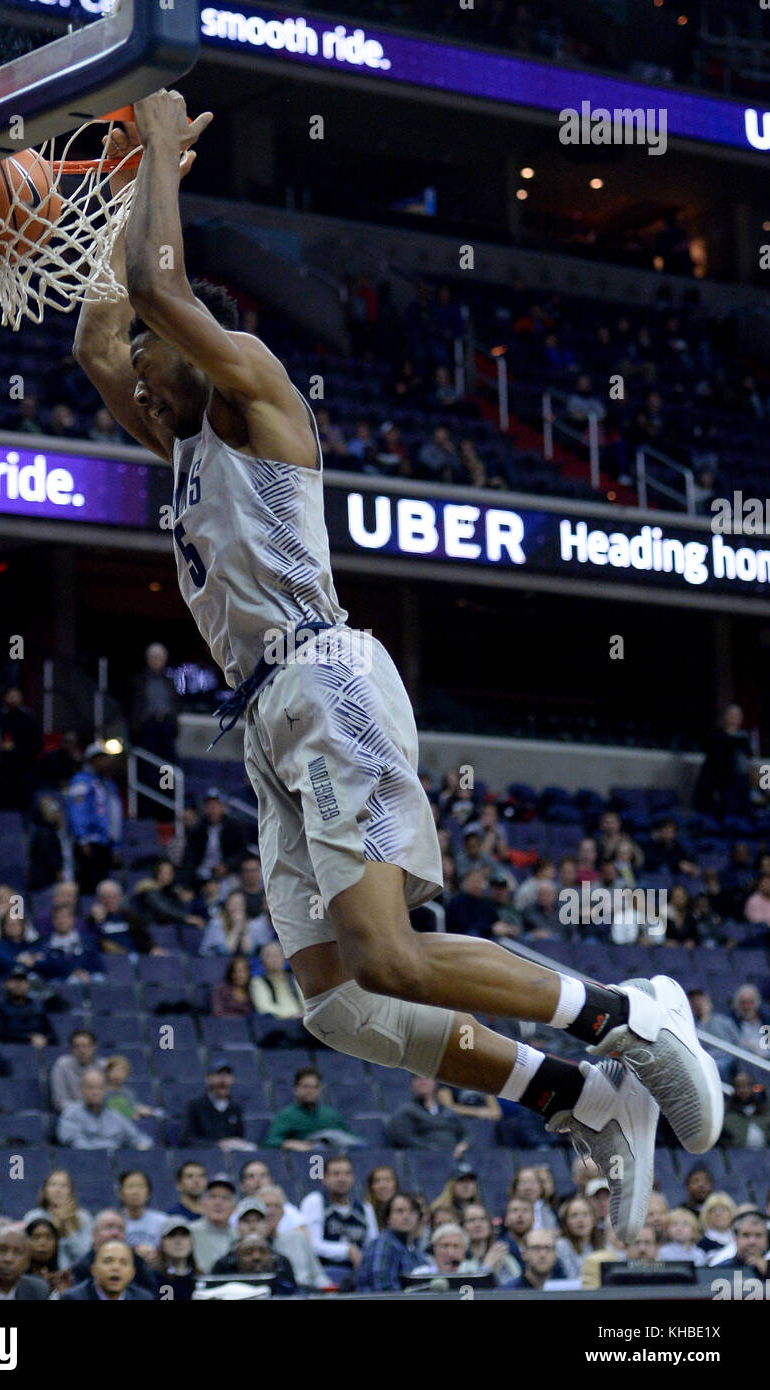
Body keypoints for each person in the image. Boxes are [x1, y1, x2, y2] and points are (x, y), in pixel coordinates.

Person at [72, 92, 721, 1248]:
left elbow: (160, 292)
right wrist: (115, 182)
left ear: (189, 348)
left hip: (326, 680)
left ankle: (629, 1014)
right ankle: (579, 1094)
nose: (133, 358)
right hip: (266, 717)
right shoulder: (173, 440)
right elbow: (93, 335)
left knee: (389, 951)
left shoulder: (252, 391)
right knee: (338, 1001)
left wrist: (164, 157)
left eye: (149, 347)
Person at [299, 1154, 378, 1282]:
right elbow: (312, 1244)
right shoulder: (315, 1201)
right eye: (336, 1174)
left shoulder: (365, 1208)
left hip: (359, 1272)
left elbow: (373, 1245)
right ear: (324, 1178)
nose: (342, 1179)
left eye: (347, 1174)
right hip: (322, 1273)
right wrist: (347, 1250)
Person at [66, 744, 123, 894]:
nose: (103, 763)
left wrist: (116, 843)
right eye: (99, 759)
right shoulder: (81, 780)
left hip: (106, 842)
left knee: (104, 885)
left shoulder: (108, 783)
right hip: (90, 842)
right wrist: (82, 838)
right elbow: (77, 810)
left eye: (105, 759)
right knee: (89, 885)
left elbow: (114, 814)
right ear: (91, 761)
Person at [264, 1068, 361, 1150]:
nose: (310, 1091)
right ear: (295, 1089)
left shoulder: (331, 1115)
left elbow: (352, 1139)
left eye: (315, 1087)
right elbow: (271, 1141)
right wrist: (290, 1143)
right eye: (306, 1086)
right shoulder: (285, 1116)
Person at [67, 1209, 159, 1294]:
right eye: (109, 1227)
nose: (115, 1233)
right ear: (94, 1234)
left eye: (121, 1229)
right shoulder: (80, 1268)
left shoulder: (137, 1263)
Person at [57, 1068, 152, 1151]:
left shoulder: (116, 1116)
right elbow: (77, 1144)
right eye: (90, 1088)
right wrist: (111, 1147)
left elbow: (141, 1139)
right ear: (81, 1090)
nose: (95, 1092)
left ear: (106, 1090)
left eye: (99, 1088)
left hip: (115, 1167)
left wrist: (142, 1146)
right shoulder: (70, 1114)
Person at [260, 1184, 331, 1290]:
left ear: (283, 1213)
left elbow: (318, 1275)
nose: (271, 1212)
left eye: (276, 1206)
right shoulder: (248, 1244)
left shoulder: (296, 1238)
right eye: (266, 1206)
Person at [23, 1169, 93, 1269]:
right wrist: (55, 1228)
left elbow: (85, 1254)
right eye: (53, 1185)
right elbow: (28, 1250)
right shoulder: (34, 1216)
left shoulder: (83, 1217)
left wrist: (67, 1229)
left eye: (63, 1186)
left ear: (71, 1191)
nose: (58, 1190)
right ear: (45, 1190)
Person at [356, 1192, 424, 1291]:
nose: (406, 1216)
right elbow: (383, 1290)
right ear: (388, 1218)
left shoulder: (416, 1251)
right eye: (400, 1211)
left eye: (412, 1211)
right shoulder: (383, 1244)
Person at [384, 1075, 467, 1152]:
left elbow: (464, 1133)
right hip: (424, 1157)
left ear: (435, 1082)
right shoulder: (406, 1111)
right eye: (418, 1079)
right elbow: (403, 1138)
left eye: (427, 1078)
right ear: (412, 1085)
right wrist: (431, 1149)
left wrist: (463, 1145)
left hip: (453, 1156)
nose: (423, 1082)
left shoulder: (447, 1111)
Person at [182, 789, 250, 883]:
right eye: (209, 807)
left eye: (215, 806)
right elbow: (189, 857)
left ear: (222, 807)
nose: (212, 811)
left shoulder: (235, 827)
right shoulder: (197, 829)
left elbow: (242, 851)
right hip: (201, 874)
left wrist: (227, 866)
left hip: (228, 873)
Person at [129, 642, 180, 767]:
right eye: (154, 657)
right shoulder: (139, 681)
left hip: (166, 726)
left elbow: (175, 705)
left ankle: (166, 786)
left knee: (167, 763)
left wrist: (174, 723)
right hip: (147, 726)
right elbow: (132, 706)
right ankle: (149, 785)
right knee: (147, 761)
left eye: (160, 657)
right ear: (148, 659)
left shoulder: (169, 682)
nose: (157, 661)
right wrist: (136, 724)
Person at [179, 1056, 248, 1149]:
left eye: (227, 1075)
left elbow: (239, 1137)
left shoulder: (236, 1107)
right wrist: (218, 1145)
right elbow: (187, 1140)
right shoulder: (195, 1105)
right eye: (219, 1075)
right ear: (208, 1079)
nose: (223, 1080)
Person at [59, 1239, 155, 1301]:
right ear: (94, 1270)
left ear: (132, 1273)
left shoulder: (143, 1298)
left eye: (123, 1262)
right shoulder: (72, 1298)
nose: (116, 1268)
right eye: (108, 1261)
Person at [87, 879, 157, 956]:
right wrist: (97, 922)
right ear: (99, 899)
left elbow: (144, 938)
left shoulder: (131, 916)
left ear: (120, 898)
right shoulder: (92, 921)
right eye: (106, 897)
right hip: (107, 961)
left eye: (113, 897)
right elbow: (90, 944)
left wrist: (153, 948)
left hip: (132, 959)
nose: (110, 900)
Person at [0, 967, 55, 1047]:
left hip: (36, 1049)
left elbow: (51, 1034)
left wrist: (44, 1038)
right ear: (6, 984)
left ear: (28, 984)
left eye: (22, 981)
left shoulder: (38, 1005)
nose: (19, 984)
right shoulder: (0, 1006)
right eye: (15, 981)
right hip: (11, 1050)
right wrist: (28, 1039)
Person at [200, 888, 274, 957]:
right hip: (213, 963)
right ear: (227, 906)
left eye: (240, 904)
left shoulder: (251, 925)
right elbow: (226, 951)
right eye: (233, 904)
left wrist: (242, 929)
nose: (236, 908)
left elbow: (248, 951)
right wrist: (236, 927)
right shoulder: (216, 924)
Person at [460, 1203, 521, 1284]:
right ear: (462, 1226)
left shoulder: (504, 1257)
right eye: (471, 1220)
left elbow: (516, 1287)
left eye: (483, 1219)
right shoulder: (458, 1260)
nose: (478, 1224)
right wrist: (487, 1267)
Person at [189, 1176, 237, 1272]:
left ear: (234, 1207)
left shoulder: (238, 1236)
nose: (218, 1203)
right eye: (212, 1197)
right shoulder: (190, 1232)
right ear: (202, 1203)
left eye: (225, 1198)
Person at [118, 1169, 170, 1256]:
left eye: (140, 1187)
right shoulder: (114, 1221)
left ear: (148, 1193)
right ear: (121, 1193)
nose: (135, 1192)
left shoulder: (162, 1221)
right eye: (130, 1187)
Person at [49, 1029, 98, 1113]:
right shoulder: (62, 1065)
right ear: (71, 1049)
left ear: (94, 1047)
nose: (82, 1051)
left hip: (98, 1115)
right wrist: (85, 1111)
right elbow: (59, 1102)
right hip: (72, 1116)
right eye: (77, 1046)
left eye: (85, 1046)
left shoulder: (103, 1066)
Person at [554, 1195, 602, 1280]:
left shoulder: (603, 1244)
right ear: (566, 1222)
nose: (580, 1220)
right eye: (574, 1215)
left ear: (594, 1219)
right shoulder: (561, 1246)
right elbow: (571, 1278)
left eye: (585, 1215)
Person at [708, 1211, 768, 1276]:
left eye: (758, 1235)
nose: (752, 1241)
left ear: (767, 1239)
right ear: (735, 1238)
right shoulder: (719, 1270)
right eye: (746, 1235)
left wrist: (767, 1270)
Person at [720, 1070, 770, 1148]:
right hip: (737, 1155)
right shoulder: (726, 1113)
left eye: (746, 1086)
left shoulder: (764, 1110)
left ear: (752, 1087)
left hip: (765, 1155)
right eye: (739, 1086)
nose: (743, 1090)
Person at [155, 1219, 198, 1300]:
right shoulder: (153, 1278)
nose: (178, 1242)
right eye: (172, 1236)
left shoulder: (200, 1278)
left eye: (184, 1236)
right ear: (162, 1243)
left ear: (192, 1242)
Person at [698, 1192, 737, 1260]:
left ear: (732, 1213)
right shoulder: (702, 1243)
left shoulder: (740, 1239)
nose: (718, 1213)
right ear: (707, 1215)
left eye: (724, 1209)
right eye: (714, 1210)